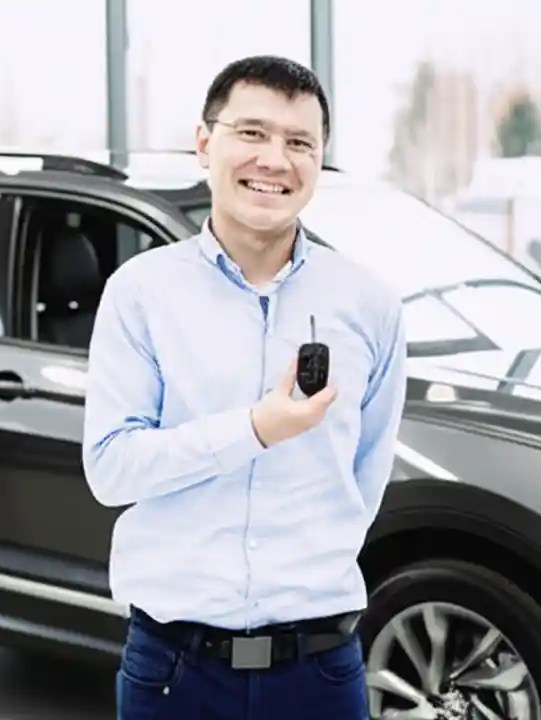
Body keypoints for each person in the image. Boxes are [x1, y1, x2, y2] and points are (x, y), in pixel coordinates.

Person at [82, 54, 407, 719]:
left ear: (320, 161)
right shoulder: (142, 293)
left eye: (298, 143)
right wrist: (255, 430)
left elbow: (363, 481)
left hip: (319, 672)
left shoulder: (368, 304)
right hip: (175, 669)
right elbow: (112, 470)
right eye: (252, 133)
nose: (275, 160)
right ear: (206, 143)